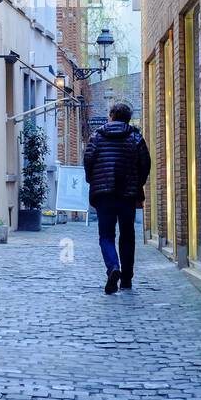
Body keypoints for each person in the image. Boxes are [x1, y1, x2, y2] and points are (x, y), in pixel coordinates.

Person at [83, 101, 152, 294]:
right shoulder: (135, 137)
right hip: (127, 194)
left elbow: (88, 161)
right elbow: (145, 164)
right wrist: (137, 184)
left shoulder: (97, 136)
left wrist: (93, 181)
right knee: (127, 236)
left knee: (106, 235)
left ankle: (113, 267)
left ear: (111, 115)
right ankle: (127, 279)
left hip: (104, 194)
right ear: (128, 118)